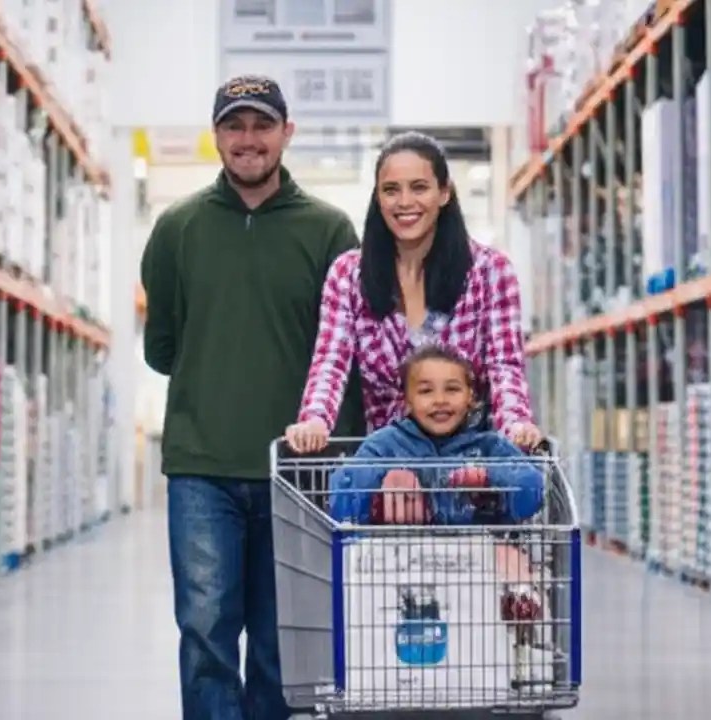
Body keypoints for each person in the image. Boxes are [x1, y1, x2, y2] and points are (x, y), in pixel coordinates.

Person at [140, 74, 364, 720]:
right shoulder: (178, 227)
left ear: (286, 133)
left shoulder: (328, 231)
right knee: (206, 635)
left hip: (297, 471)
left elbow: (344, 348)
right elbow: (161, 347)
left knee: (280, 645)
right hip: (202, 468)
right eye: (234, 126)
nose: (248, 140)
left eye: (262, 125)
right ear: (216, 136)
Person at [285, 131, 543, 455]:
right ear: (378, 198)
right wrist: (315, 421)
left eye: (419, 187)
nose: (405, 202)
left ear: (444, 192)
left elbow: (505, 366)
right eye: (391, 190)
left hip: (473, 467)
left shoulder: (490, 272)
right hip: (389, 469)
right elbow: (330, 363)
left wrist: (516, 424)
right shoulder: (349, 274)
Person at [327, 344, 544, 527]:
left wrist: (489, 477)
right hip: (396, 560)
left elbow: (532, 491)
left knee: (518, 567)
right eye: (426, 391)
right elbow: (341, 502)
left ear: (471, 396)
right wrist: (382, 479)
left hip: (477, 558)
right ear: (407, 401)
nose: (440, 400)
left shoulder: (489, 446)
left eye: (452, 389)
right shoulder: (384, 445)